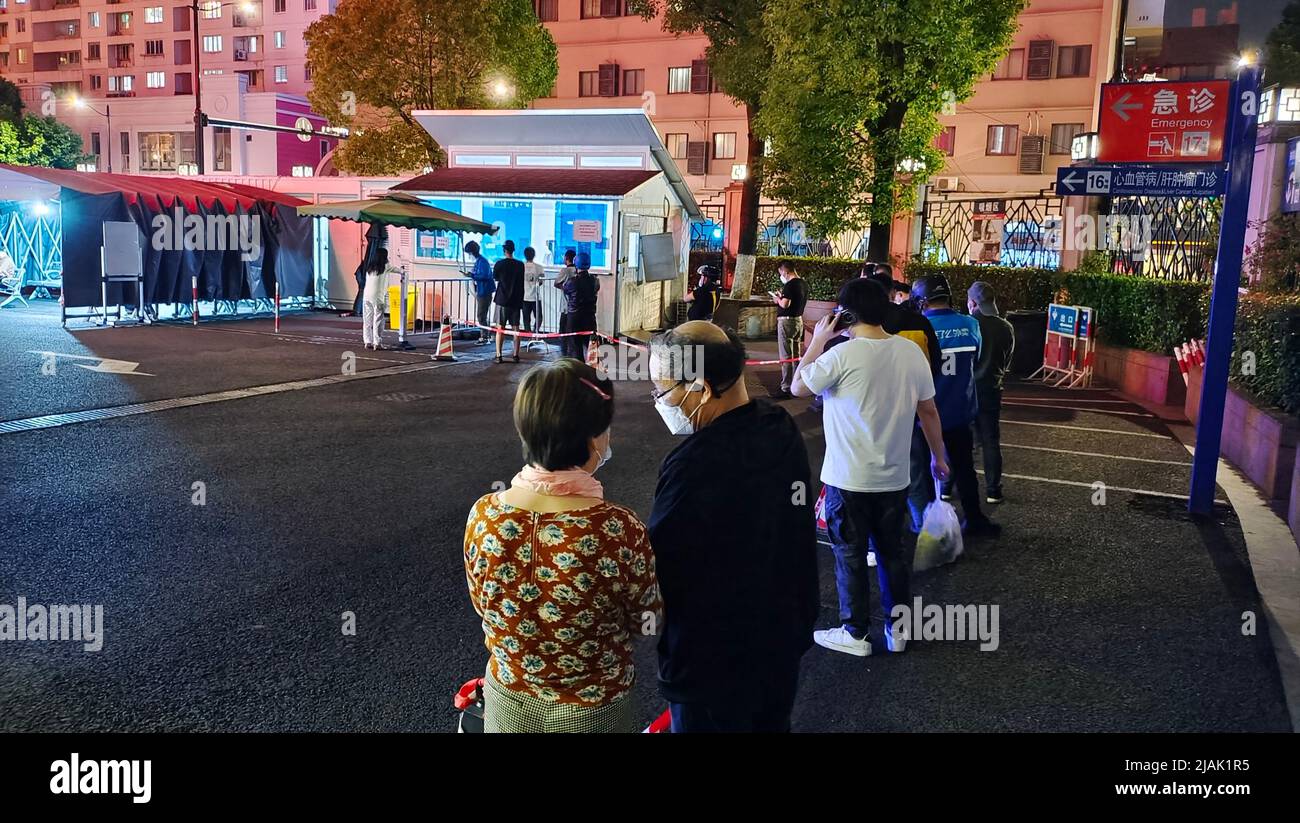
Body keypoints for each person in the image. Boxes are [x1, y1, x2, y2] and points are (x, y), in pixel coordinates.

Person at [464, 359, 660, 733]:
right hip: (594, 709)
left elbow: (482, 603)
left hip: (507, 697)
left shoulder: (484, 516)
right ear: (592, 438)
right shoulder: (618, 529)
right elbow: (645, 621)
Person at [648, 321, 818, 732]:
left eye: (663, 390)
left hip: (712, 663)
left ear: (701, 389)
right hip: (780, 640)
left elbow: (659, 565)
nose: (659, 401)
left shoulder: (693, 466)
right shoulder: (779, 427)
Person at [792, 279, 949, 657]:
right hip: (894, 477)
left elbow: (798, 387)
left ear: (845, 314)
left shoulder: (840, 355)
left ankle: (856, 632)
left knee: (849, 554)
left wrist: (816, 340)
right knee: (892, 554)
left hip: (847, 480)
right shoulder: (910, 353)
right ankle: (898, 631)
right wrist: (938, 457)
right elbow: (927, 410)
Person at [908, 274, 1000, 537]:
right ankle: (974, 518)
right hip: (960, 410)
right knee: (964, 467)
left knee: (920, 470)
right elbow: (978, 358)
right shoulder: (970, 324)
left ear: (921, 300)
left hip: (924, 415)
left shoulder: (918, 328)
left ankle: (926, 527)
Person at [968, 281, 1015, 504]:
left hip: (966, 391)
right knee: (990, 441)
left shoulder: (968, 325)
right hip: (992, 390)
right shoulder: (1006, 327)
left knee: (962, 441)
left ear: (972, 302)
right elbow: (1007, 361)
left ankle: (949, 487)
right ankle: (993, 490)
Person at [770, 261, 808, 400]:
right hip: (798, 320)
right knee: (796, 355)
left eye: (781, 273)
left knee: (786, 355)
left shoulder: (790, 285)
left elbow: (785, 304)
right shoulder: (803, 283)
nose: (782, 276)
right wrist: (782, 296)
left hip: (786, 321)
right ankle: (796, 383)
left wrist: (777, 299)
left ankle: (785, 387)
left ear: (785, 271)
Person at [492, 239, 526, 364]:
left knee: (500, 328)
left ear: (504, 250)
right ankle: (516, 355)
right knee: (516, 328)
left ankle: (499, 355)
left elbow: (495, 277)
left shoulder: (499, 264)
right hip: (516, 300)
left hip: (502, 299)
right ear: (513, 250)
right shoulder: (520, 264)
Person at [562, 252, 599, 360]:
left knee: (575, 349)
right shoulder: (595, 281)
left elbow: (566, 290)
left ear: (576, 264)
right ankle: (592, 373)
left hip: (574, 318)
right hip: (589, 318)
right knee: (591, 348)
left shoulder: (572, 281)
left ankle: (578, 372)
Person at [465, 240, 494, 345]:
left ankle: (484, 337)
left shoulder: (482, 262)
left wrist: (472, 275)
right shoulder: (480, 261)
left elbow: (485, 276)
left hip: (484, 291)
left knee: (481, 315)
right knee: (482, 315)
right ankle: (485, 335)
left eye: (469, 254)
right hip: (482, 290)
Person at [360, 253, 391, 351]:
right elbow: (399, 270)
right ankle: (377, 343)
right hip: (377, 298)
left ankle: (367, 341)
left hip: (366, 297)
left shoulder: (370, 268)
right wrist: (404, 272)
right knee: (377, 320)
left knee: (367, 320)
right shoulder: (385, 266)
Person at [522, 246, 544, 351]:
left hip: (524, 296)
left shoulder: (521, 266)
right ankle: (535, 333)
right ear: (534, 255)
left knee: (526, 318)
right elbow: (541, 281)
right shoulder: (539, 267)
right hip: (535, 297)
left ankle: (528, 336)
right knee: (539, 317)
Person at [554, 249, 577, 342]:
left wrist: (565, 288)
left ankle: (564, 347)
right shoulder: (577, 270)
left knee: (563, 327)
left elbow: (556, 283)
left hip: (566, 305)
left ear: (566, 258)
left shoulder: (565, 271)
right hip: (576, 305)